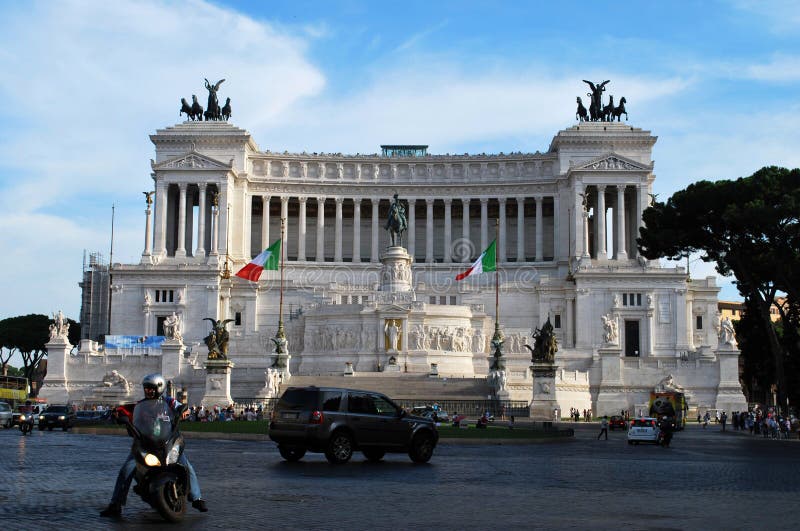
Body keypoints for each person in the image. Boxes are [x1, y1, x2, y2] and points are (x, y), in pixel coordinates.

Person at [100, 374, 208, 518]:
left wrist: (184, 412)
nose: (148, 391)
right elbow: (123, 411)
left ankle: (197, 498)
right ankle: (115, 504)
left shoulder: (169, 402)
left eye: (151, 388)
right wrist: (118, 415)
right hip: (145, 443)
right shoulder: (140, 405)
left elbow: (181, 408)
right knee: (127, 469)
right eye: (146, 388)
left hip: (167, 441)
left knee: (186, 465)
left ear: (159, 388)